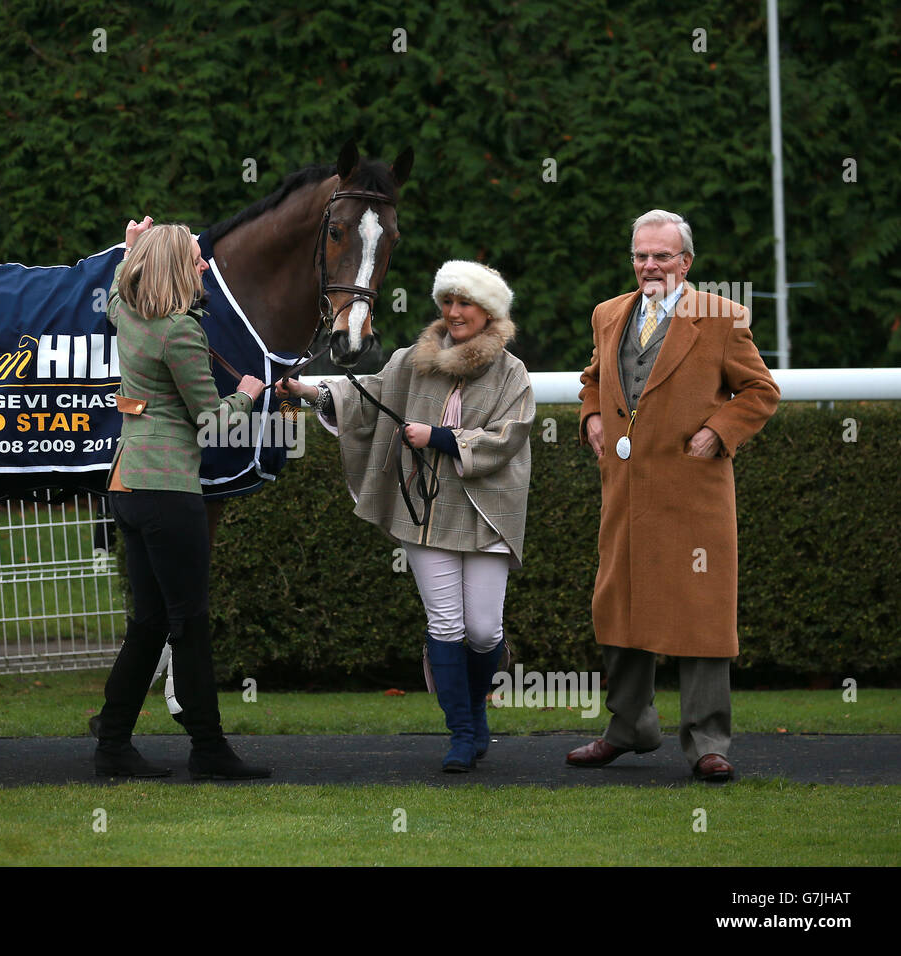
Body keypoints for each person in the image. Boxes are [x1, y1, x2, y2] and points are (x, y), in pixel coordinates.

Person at [278, 260, 534, 772]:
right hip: (423, 510)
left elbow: (513, 434)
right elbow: (368, 395)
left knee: (484, 631)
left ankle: (475, 714)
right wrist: (310, 392)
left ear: (489, 311)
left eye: (465, 303)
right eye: (448, 301)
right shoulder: (412, 360)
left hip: (485, 514)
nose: (454, 312)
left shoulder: (512, 372)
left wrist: (439, 437)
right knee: (445, 623)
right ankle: (462, 733)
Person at [567, 209, 780, 782]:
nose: (650, 265)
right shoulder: (608, 314)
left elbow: (761, 391)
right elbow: (592, 377)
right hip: (625, 495)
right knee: (619, 607)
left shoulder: (721, 316)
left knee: (701, 616)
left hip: (694, 495)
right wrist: (591, 414)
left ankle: (708, 743)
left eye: (662, 256)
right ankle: (629, 729)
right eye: (641, 255)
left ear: (686, 262)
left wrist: (720, 431)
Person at [91, 216, 271, 780]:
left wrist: (130, 250)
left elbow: (120, 290)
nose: (204, 266)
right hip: (169, 492)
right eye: (196, 259)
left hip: (128, 485)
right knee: (188, 622)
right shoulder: (179, 330)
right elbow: (211, 420)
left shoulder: (128, 315)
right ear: (175, 266)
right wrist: (245, 394)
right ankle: (209, 750)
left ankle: (113, 743)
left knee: (148, 623)